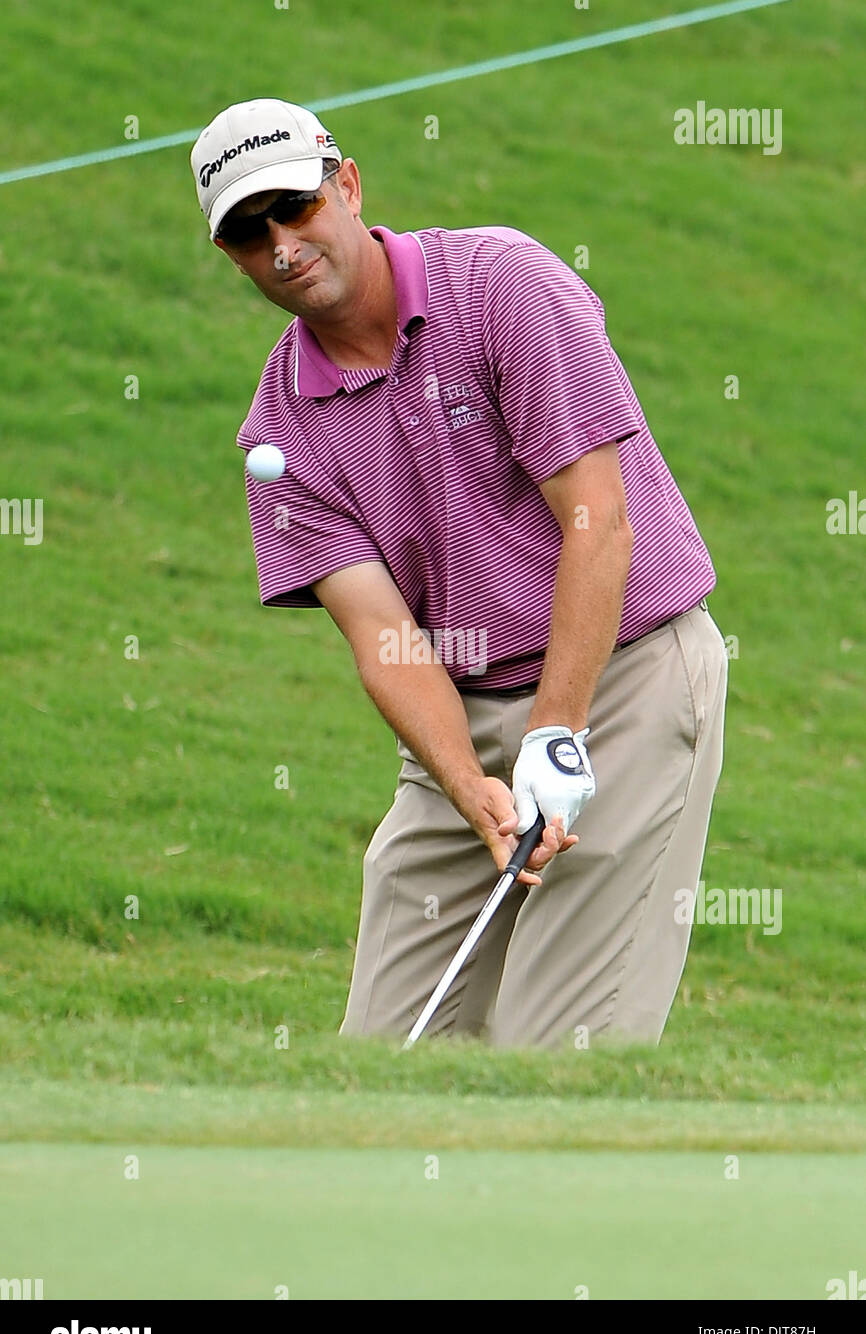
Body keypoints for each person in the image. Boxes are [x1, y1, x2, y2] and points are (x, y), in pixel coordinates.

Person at [190, 98, 728, 1049]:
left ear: (347, 186)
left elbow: (599, 524)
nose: (280, 244)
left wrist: (557, 734)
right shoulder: (280, 435)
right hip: (459, 718)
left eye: (295, 208)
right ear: (231, 254)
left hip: (625, 680)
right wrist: (469, 782)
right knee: (383, 1059)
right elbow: (385, 641)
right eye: (247, 232)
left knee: (552, 1052)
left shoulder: (502, 285)